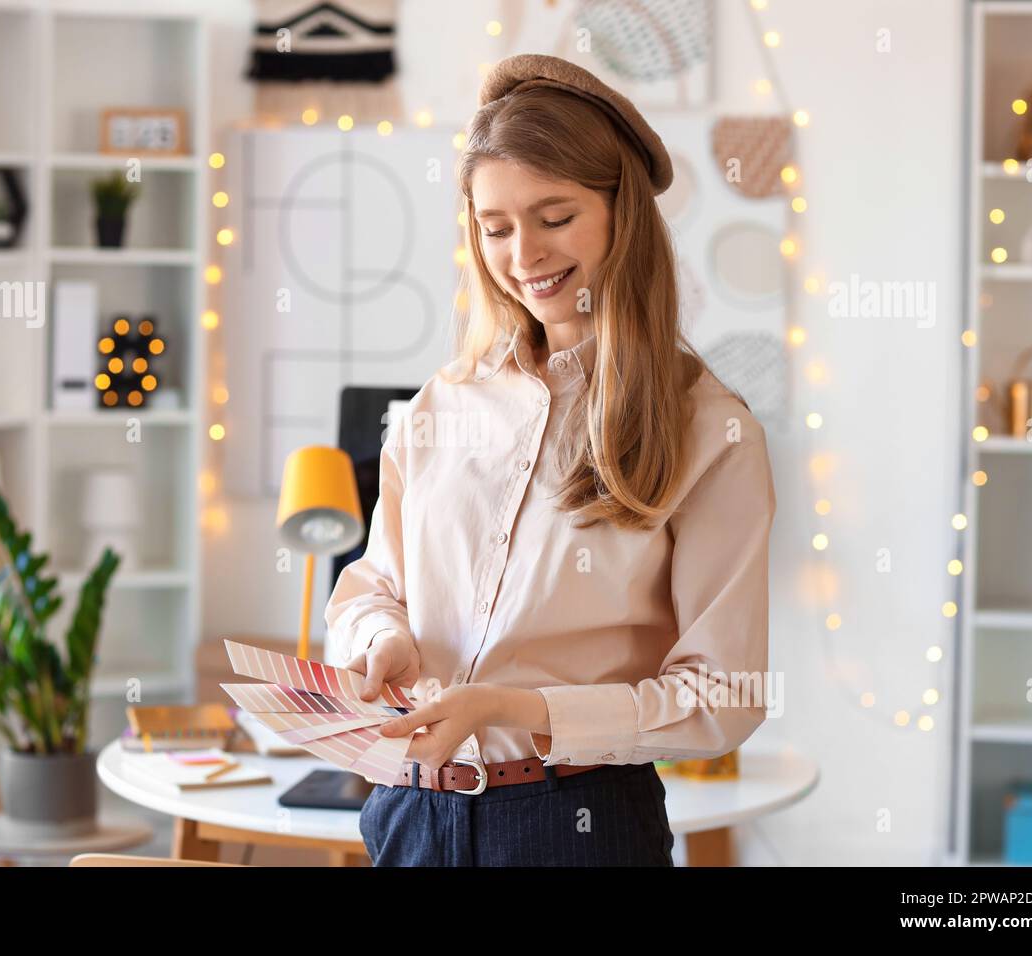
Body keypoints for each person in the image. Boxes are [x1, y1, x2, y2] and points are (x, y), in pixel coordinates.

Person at [324, 54, 778, 867]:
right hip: (408, 812)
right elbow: (370, 582)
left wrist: (519, 707)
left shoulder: (711, 432)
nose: (523, 253)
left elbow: (724, 697)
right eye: (495, 227)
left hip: (575, 825)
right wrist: (378, 636)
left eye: (555, 216)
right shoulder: (443, 402)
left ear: (621, 214)